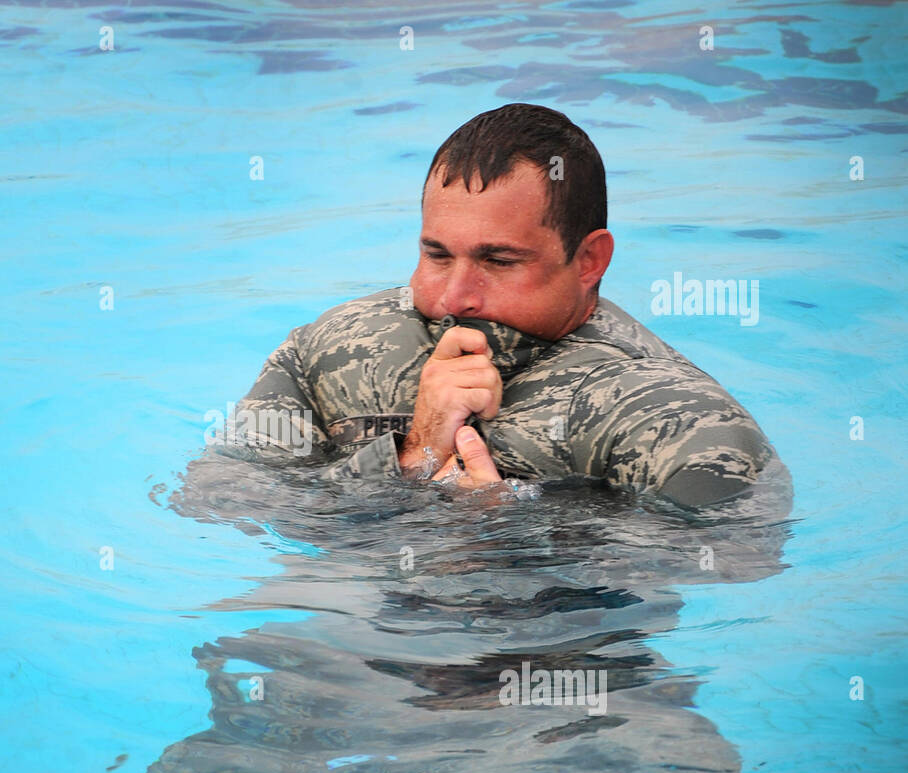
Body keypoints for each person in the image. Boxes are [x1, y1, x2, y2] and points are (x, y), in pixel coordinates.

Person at [215, 103, 779, 509]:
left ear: (589, 260)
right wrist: (415, 459)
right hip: (361, 637)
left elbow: (734, 559)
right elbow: (218, 500)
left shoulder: (671, 418)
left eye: (499, 261)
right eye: (437, 254)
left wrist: (504, 533)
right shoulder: (331, 350)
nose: (455, 296)